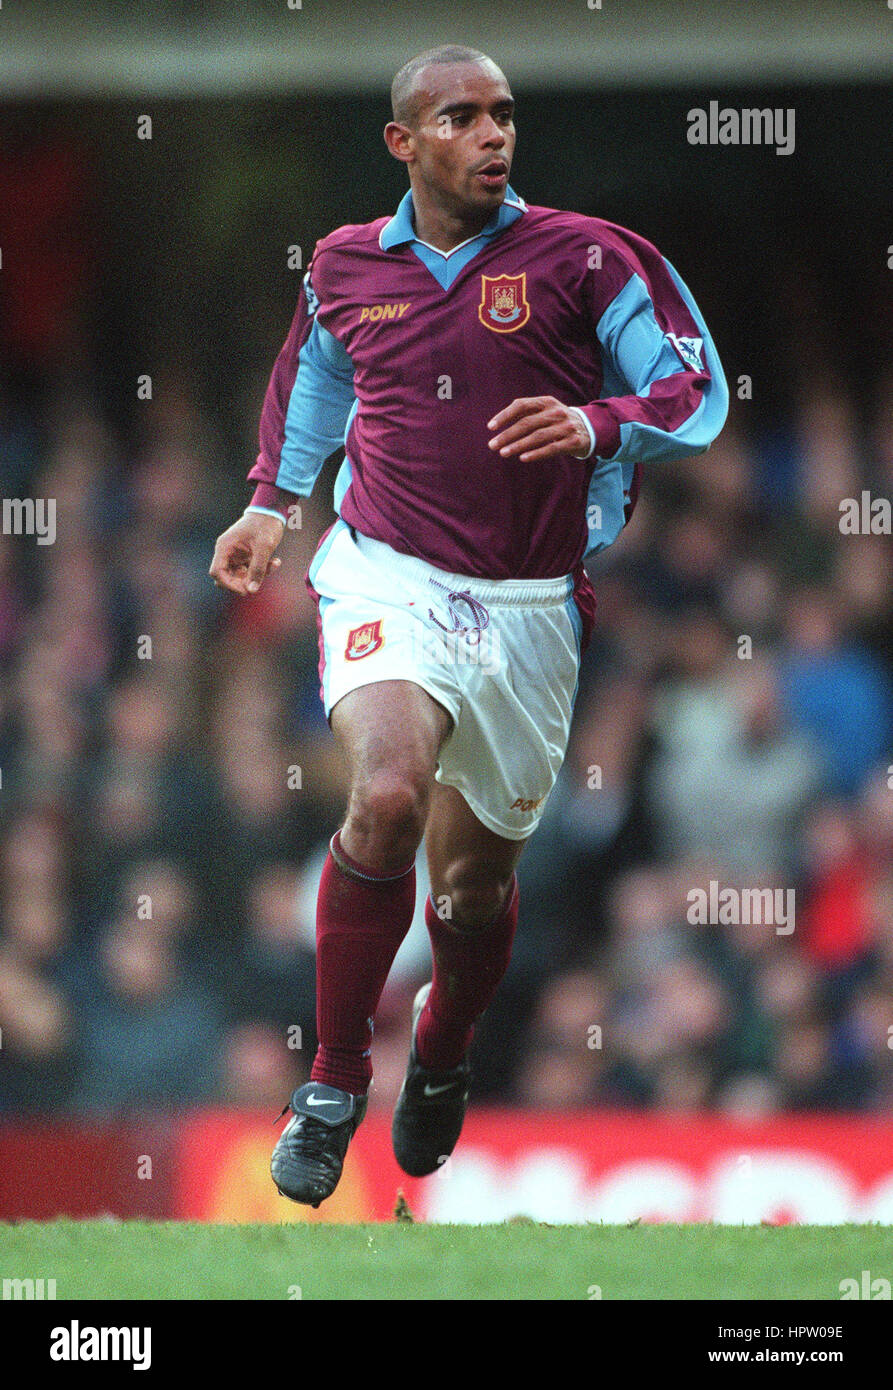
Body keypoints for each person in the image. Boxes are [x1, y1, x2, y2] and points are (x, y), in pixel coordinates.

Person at [209, 44, 728, 1207]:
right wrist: (266, 504)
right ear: (404, 142)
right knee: (384, 792)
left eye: (502, 114)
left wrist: (597, 423)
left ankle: (441, 1046)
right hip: (384, 570)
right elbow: (313, 384)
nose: (492, 134)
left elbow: (693, 391)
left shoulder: (587, 257)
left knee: (476, 890)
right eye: (461, 116)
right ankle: (335, 1079)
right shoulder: (345, 266)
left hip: (530, 607)